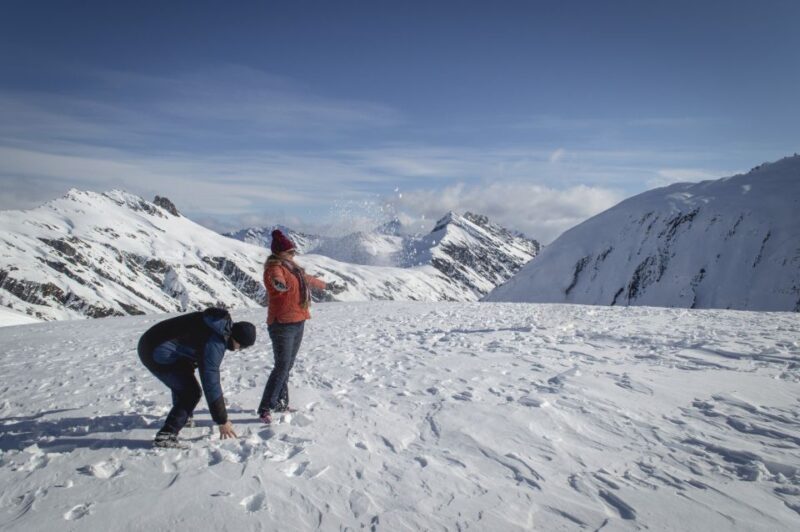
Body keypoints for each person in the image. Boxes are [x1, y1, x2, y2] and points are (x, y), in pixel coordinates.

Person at [137, 307, 257, 448]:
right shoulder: (214, 343)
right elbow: (211, 382)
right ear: (236, 339)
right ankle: (166, 436)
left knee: (185, 378)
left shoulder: (218, 324)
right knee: (191, 392)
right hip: (155, 352)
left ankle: (184, 418)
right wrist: (222, 420)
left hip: (154, 342)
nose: (239, 349)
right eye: (241, 347)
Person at [257, 229, 328, 424]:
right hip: (282, 324)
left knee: (286, 366)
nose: (293, 255)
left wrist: (327, 286)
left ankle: (280, 402)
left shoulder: (292, 267)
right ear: (279, 253)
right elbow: (276, 280)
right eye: (290, 252)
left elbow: (308, 280)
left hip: (298, 320)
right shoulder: (274, 268)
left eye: (293, 252)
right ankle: (265, 407)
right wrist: (279, 285)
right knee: (281, 366)